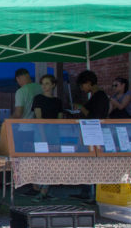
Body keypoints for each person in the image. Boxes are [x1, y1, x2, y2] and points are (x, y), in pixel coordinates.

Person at [71, 70, 109, 202]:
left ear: (88, 83)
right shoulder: (96, 96)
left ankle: (94, 193)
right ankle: (86, 190)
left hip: (95, 134)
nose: (82, 89)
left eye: (82, 85)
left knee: (94, 163)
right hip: (91, 133)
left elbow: (94, 116)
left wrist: (81, 108)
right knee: (89, 163)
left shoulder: (100, 96)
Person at [30, 74, 64, 202]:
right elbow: (38, 119)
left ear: (53, 85)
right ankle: (40, 188)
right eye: (43, 84)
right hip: (40, 132)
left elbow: (60, 120)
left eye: (47, 83)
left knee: (51, 162)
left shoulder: (58, 101)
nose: (44, 86)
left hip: (54, 133)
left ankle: (45, 190)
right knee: (41, 161)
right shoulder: (38, 98)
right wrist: (43, 136)